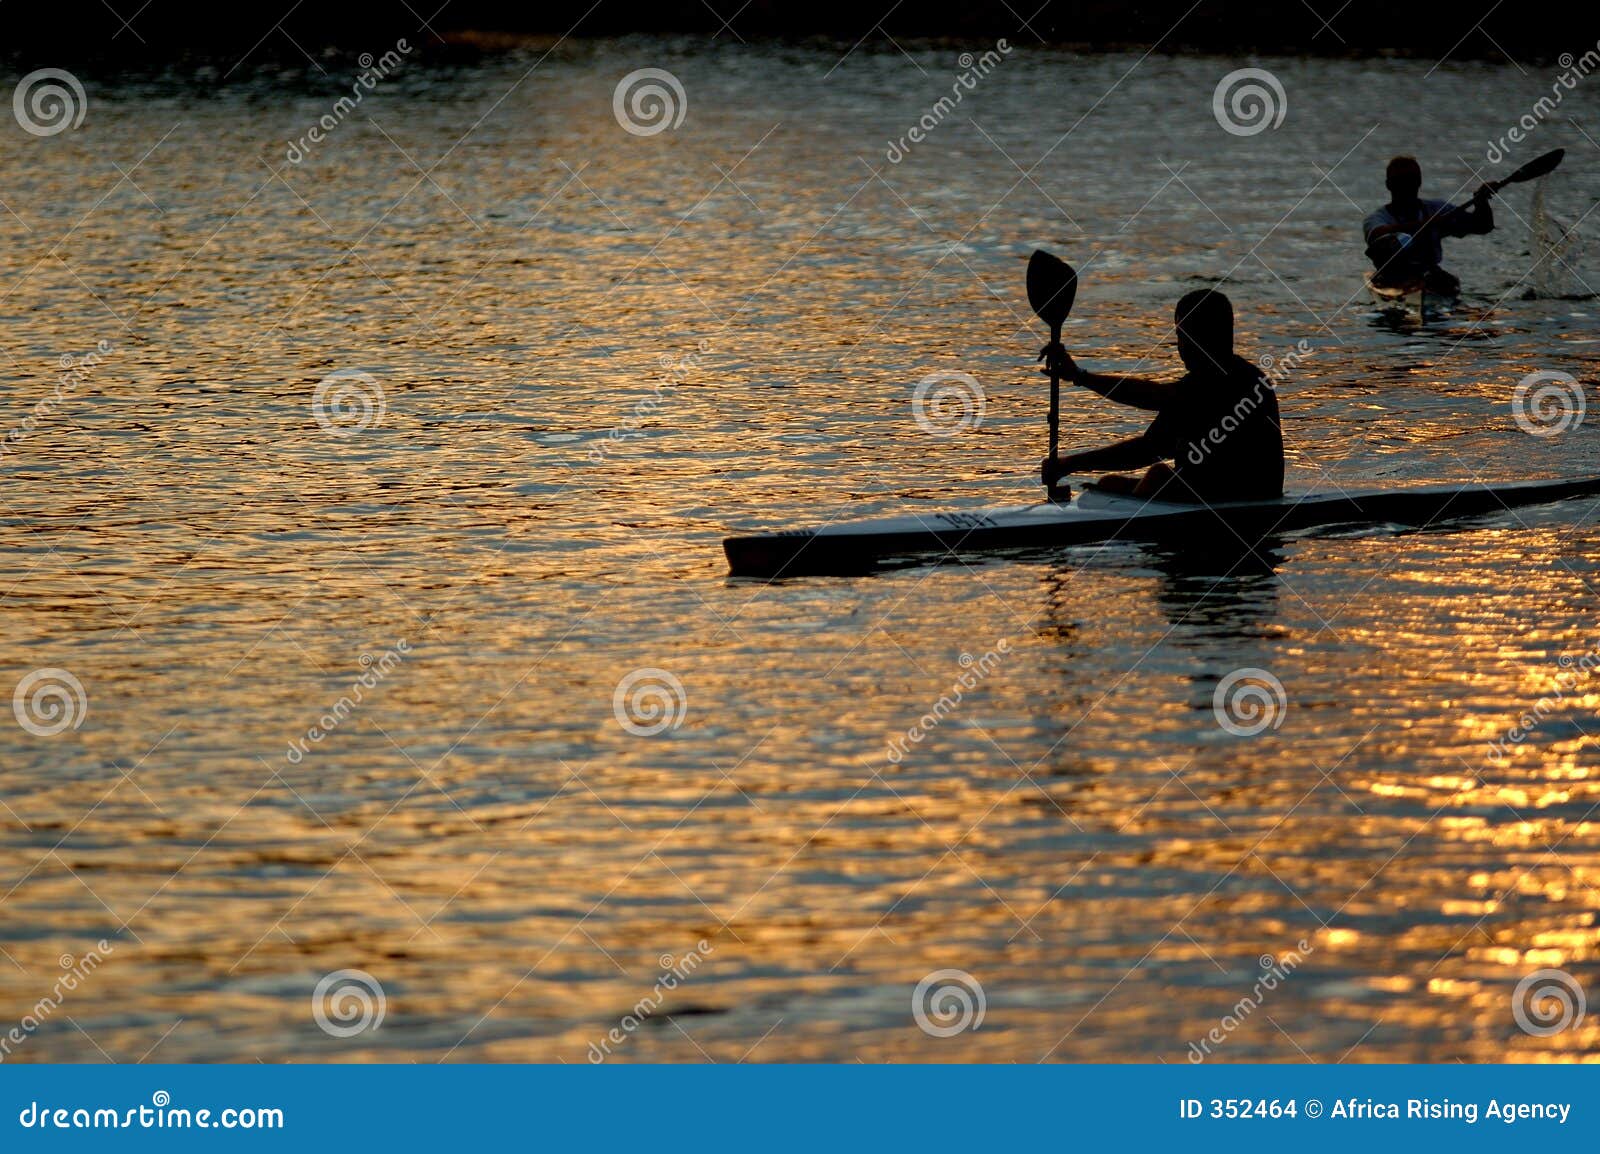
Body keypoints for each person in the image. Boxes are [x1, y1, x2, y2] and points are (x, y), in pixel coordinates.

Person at [1038, 290, 1283, 504]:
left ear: (1211, 336)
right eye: (1180, 336)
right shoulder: (1195, 386)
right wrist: (1070, 464)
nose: (1180, 346)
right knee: (1109, 484)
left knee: (1159, 476)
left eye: (1185, 336)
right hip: (1208, 496)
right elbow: (1148, 449)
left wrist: (1081, 376)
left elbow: (1153, 396)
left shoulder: (1240, 382)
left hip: (1246, 500)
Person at [1363, 156, 1493, 294]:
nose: (1406, 187)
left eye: (1411, 181)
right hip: (1392, 276)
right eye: (1399, 182)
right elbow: (1377, 234)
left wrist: (1481, 201)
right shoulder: (1377, 218)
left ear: (1419, 182)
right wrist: (1425, 224)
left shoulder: (1438, 209)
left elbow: (1482, 226)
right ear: (1389, 185)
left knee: (1440, 279)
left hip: (1429, 275)